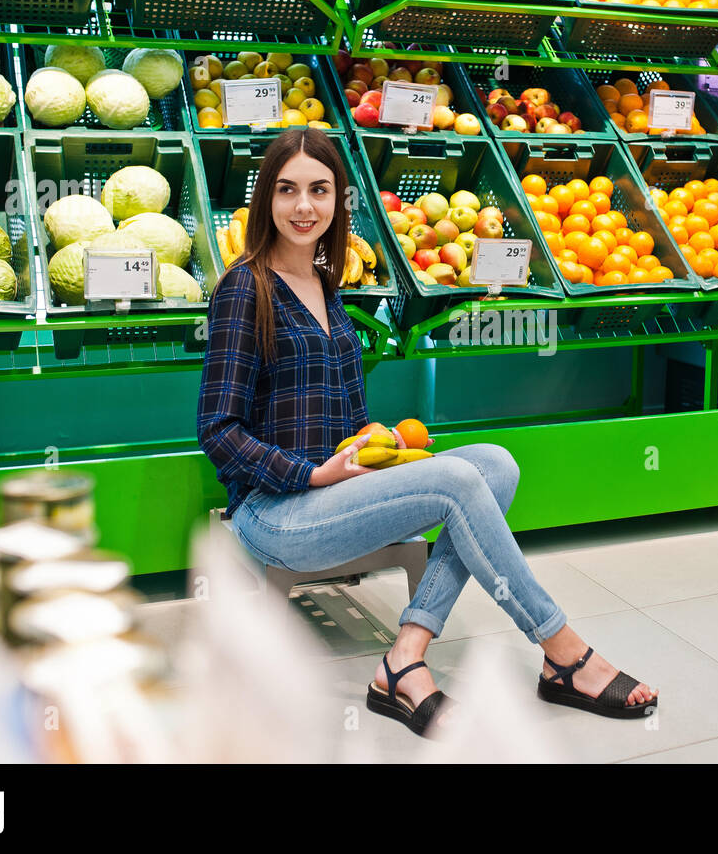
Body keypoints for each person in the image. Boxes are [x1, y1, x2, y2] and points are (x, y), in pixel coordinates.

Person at [197, 130, 657, 738]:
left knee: (495, 464)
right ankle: (563, 650)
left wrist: (379, 445)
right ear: (266, 200)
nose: (303, 206)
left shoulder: (328, 287)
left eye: (319, 190)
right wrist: (310, 474)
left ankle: (404, 658)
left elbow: (341, 416)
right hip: (279, 512)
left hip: (336, 493)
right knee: (460, 481)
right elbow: (216, 428)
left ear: (338, 201)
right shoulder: (243, 288)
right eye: (287, 190)